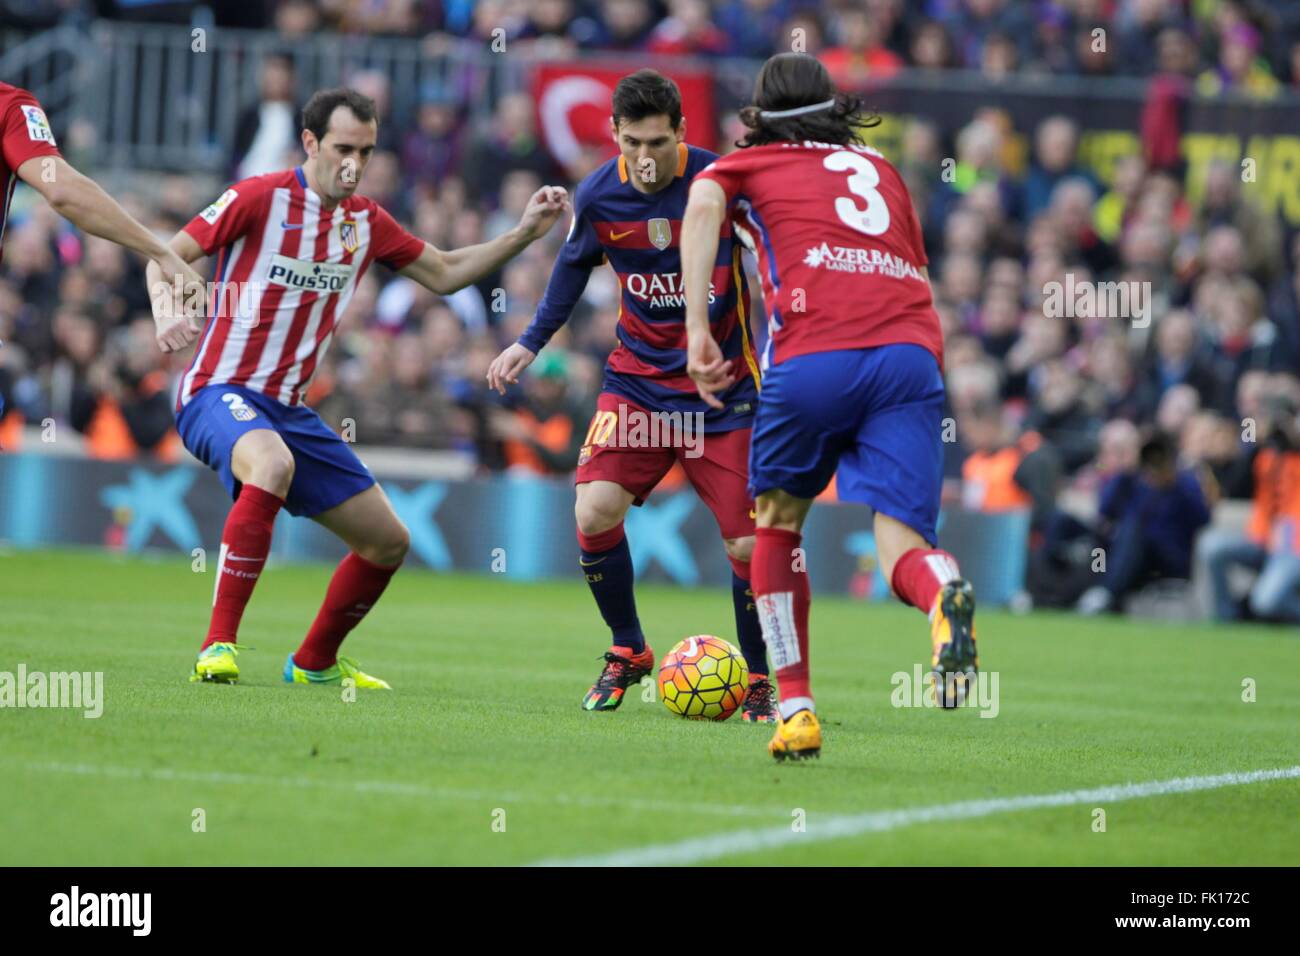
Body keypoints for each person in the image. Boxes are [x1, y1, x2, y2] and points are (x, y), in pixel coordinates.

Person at [148, 87, 568, 687]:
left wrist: (523, 234)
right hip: (216, 388)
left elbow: (446, 273)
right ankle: (218, 646)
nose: (354, 164)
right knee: (269, 464)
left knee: (388, 542)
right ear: (311, 143)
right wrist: (167, 313)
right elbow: (163, 254)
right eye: (344, 148)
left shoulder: (366, 223)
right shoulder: (257, 198)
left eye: (366, 152)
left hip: (288, 410)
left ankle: (313, 663)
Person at [681, 53, 977, 761]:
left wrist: (696, 326)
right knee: (903, 540)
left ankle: (797, 709)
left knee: (777, 527)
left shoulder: (744, 167)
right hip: (910, 357)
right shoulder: (885, 173)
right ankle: (944, 596)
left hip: (815, 356)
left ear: (759, 117)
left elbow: (699, 205)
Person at [486, 70, 775, 720]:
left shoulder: (721, 185)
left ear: (681, 133)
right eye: (632, 143)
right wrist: (529, 343)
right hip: (638, 389)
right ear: (614, 134)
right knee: (593, 512)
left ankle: (758, 679)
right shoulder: (600, 195)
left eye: (657, 142)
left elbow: (776, 259)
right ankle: (629, 649)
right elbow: (570, 268)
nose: (645, 159)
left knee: (748, 545)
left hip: (722, 396)